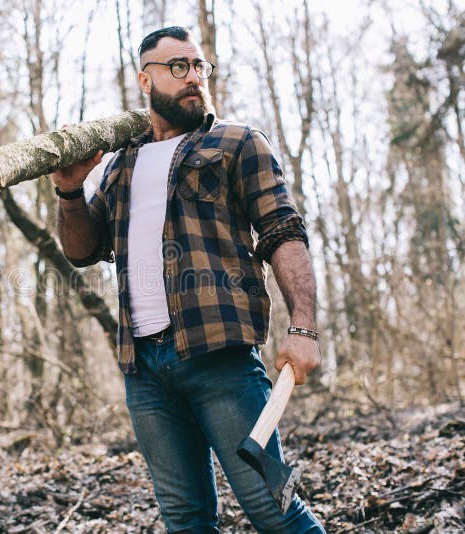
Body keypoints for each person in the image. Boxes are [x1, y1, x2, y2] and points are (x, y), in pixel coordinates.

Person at [52, 26, 326, 533]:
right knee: (184, 520)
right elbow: (82, 250)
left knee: (276, 507)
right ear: (145, 80)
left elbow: (283, 231)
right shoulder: (120, 164)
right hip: (145, 373)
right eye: (178, 67)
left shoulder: (238, 142)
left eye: (200, 66)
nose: (193, 77)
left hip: (221, 359)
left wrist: (303, 327)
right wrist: (70, 191)